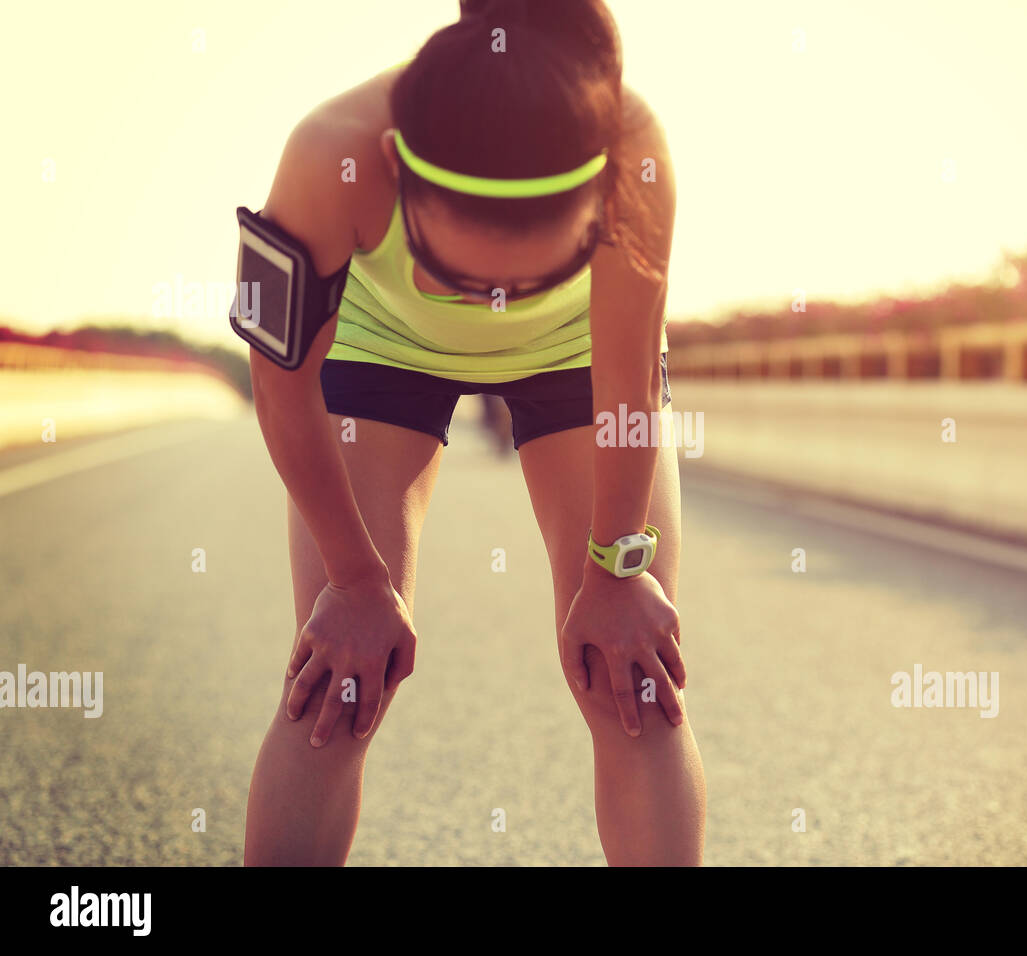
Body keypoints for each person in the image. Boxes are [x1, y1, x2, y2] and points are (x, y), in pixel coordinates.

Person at [241, 0, 705, 866]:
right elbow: (281, 380)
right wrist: (352, 579)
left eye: (535, 273)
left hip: (581, 351)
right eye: (450, 270)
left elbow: (631, 384)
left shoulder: (635, 151)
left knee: (630, 677)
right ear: (394, 170)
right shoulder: (328, 152)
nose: (488, 302)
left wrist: (617, 568)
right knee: (338, 682)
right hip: (385, 336)